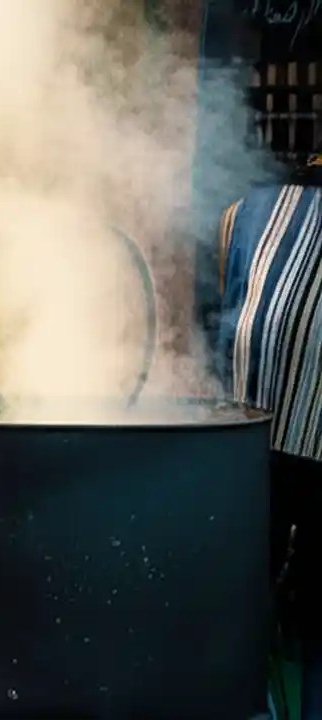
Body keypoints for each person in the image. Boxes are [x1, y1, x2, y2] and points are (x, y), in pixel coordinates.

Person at [215, 150, 322, 720]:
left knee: (247, 595)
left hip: (247, 440)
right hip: (310, 439)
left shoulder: (240, 215)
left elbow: (228, 315)